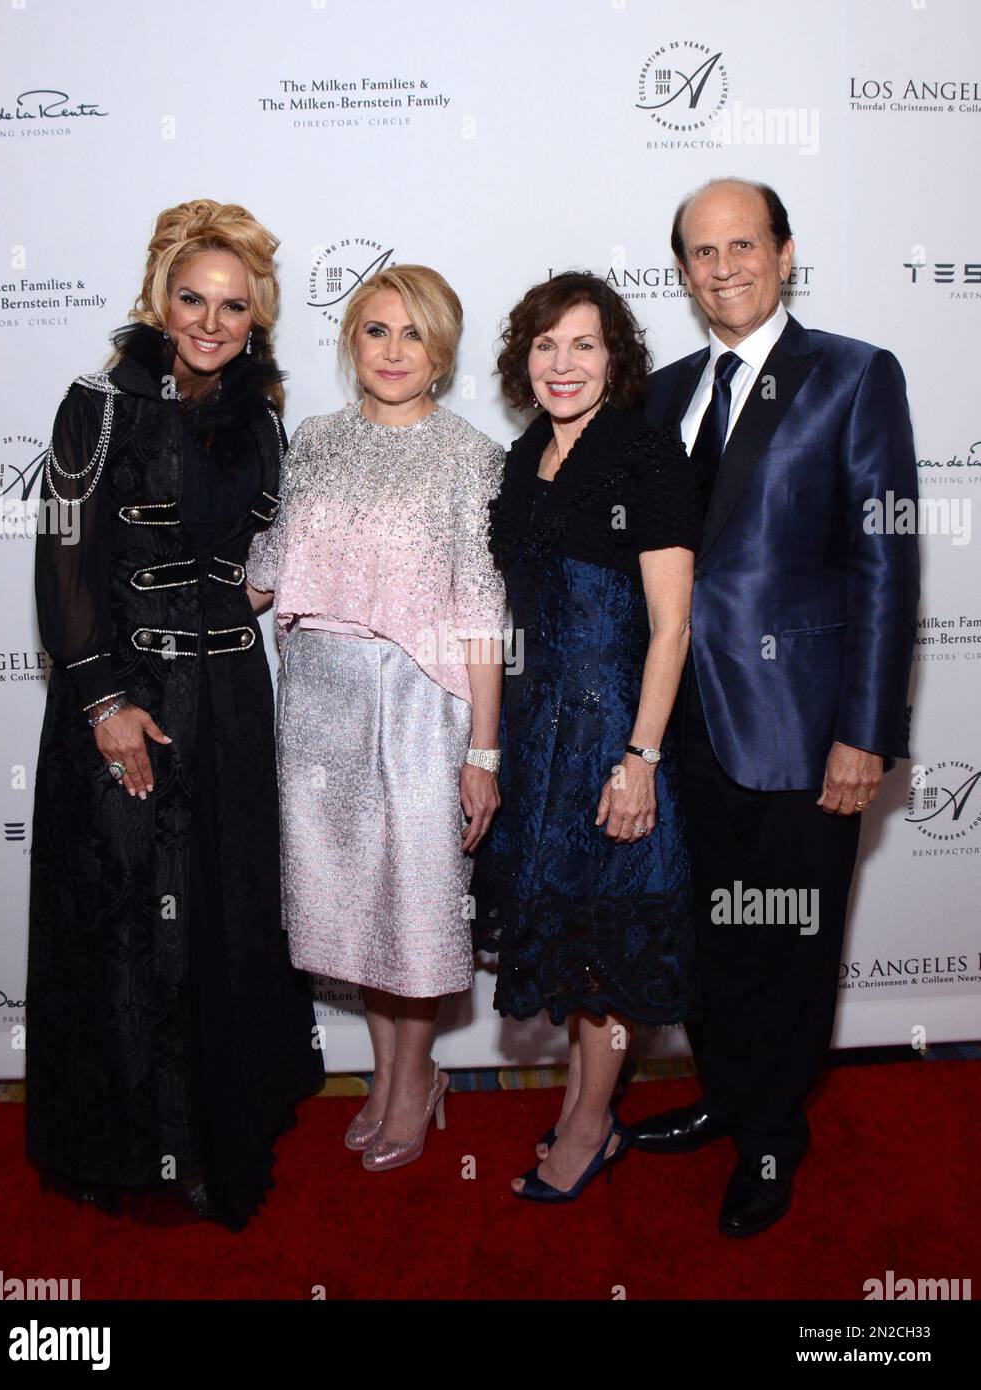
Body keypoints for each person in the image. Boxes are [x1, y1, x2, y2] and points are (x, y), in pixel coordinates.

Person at [27, 199, 324, 1232]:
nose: (209, 320)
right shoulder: (97, 401)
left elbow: (253, 561)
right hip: (129, 704)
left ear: (257, 315)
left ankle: (213, 1130)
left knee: (222, 916)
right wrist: (104, 700)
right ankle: (137, 1144)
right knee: (130, 925)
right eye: (191, 299)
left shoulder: (263, 414)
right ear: (161, 298)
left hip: (231, 704)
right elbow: (61, 559)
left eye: (231, 305)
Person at [631, 178, 920, 1236]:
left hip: (801, 730)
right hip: (681, 727)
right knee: (706, 934)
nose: (722, 268)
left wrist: (866, 729)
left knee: (788, 942)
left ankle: (770, 1134)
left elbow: (883, 565)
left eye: (741, 245)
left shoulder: (850, 376)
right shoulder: (661, 395)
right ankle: (725, 1091)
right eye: (701, 253)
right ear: (682, 271)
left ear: (783, 252)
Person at [247, 265, 506, 1172]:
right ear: (351, 339)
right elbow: (268, 566)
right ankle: (389, 1075)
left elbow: (481, 611)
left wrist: (484, 748)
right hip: (316, 697)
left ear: (441, 352)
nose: (393, 352)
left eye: (414, 335)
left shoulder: (471, 456)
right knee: (350, 901)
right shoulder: (311, 441)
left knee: (416, 905)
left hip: (417, 705)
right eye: (376, 331)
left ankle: (414, 1078)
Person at [470, 271, 702, 1203]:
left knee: (609, 943)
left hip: (614, 734)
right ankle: (581, 1112)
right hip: (536, 737)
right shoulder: (526, 454)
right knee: (572, 935)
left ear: (617, 359)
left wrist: (641, 760)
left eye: (584, 345)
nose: (562, 364)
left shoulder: (645, 459)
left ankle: (591, 1124)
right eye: (544, 345)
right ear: (523, 359)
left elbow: (672, 626)